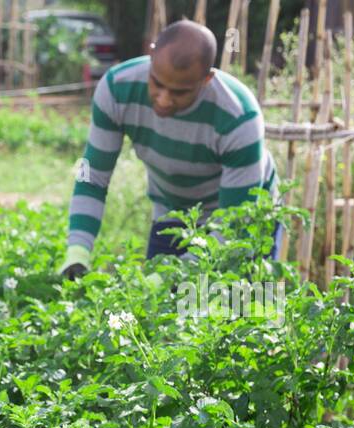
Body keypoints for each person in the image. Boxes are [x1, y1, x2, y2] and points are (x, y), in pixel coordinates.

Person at [59, 18, 281, 280]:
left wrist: (166, 279)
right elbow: (91, 175)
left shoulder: (238, 117)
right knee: (157, 303)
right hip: (172, 210)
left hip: (243, 215)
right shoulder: (117, 89)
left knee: (236, 301)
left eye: (179, 92)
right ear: (151, 55)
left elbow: (233, 224)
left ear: (207, 79)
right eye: (157, 83)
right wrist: (78, 250)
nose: (164, 100)